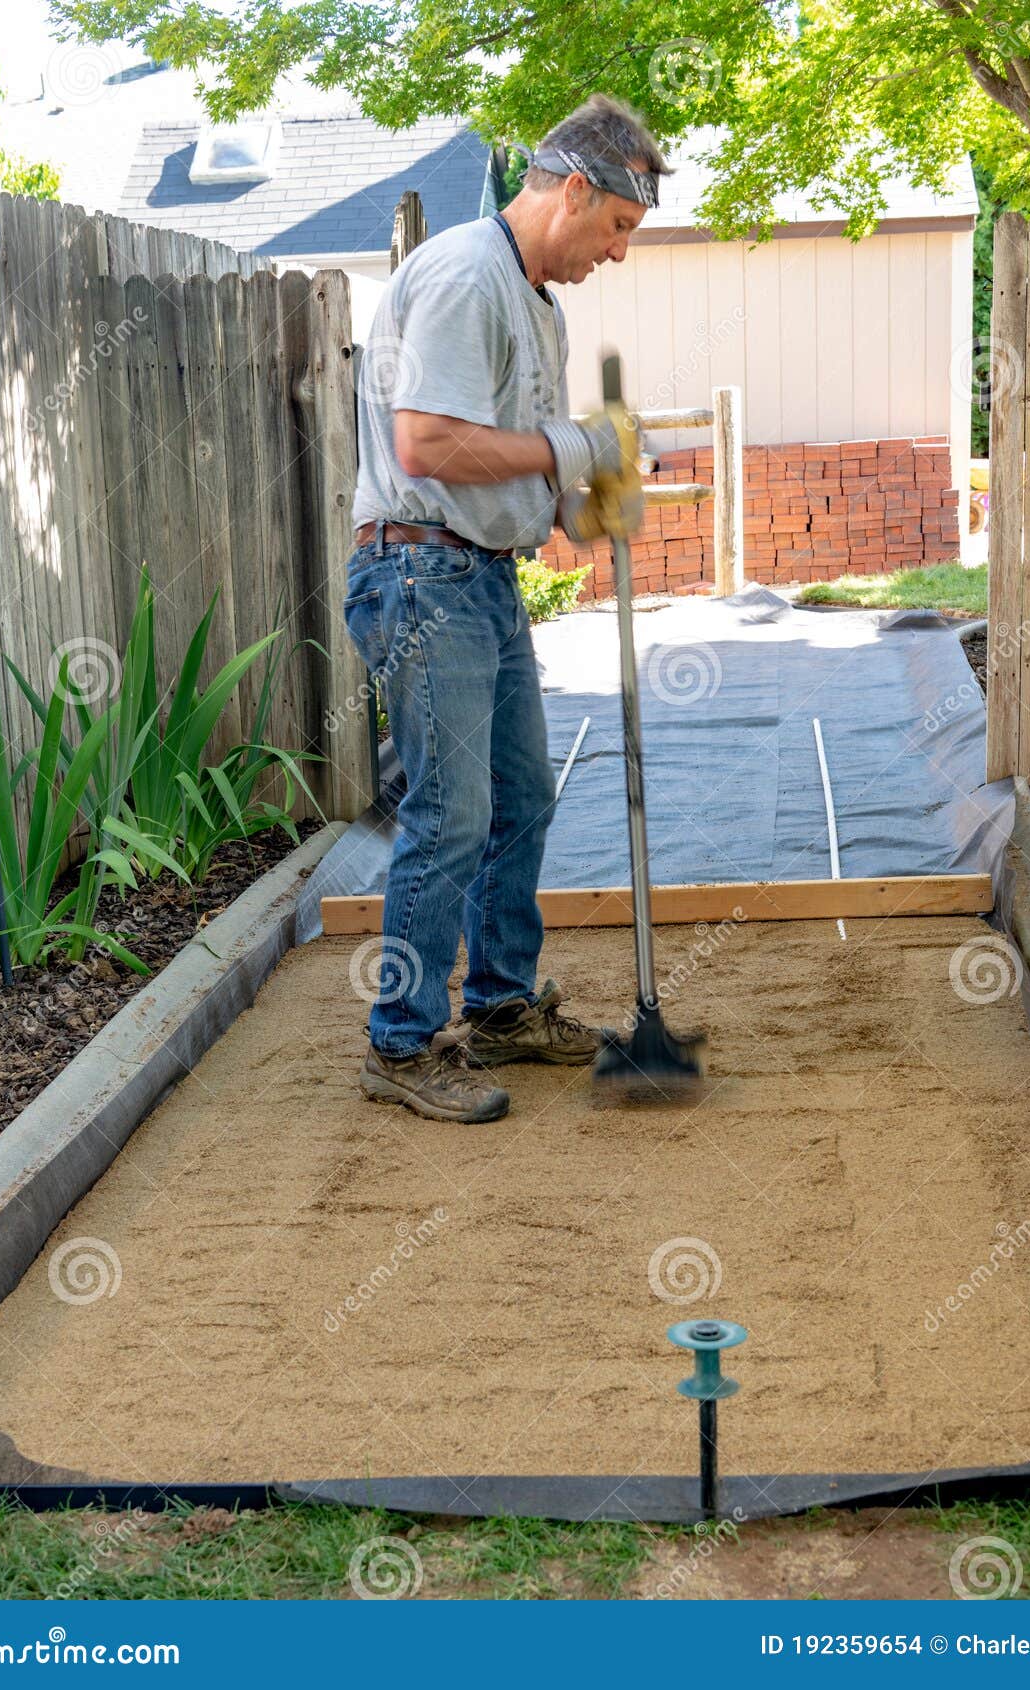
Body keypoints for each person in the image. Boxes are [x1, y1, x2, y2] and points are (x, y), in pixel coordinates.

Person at [344, 93, 671, 1124]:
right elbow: (426, 446)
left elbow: (526, 456)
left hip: (478, 575)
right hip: (418, 575)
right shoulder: (461, 276)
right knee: (450, 814)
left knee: (522, 795)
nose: (617, 253)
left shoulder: (538, 304)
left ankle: (496, 1006)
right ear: (575, 190)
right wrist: (573, 448)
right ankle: (399, 1045)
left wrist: (591, 495)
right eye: (617, 227)